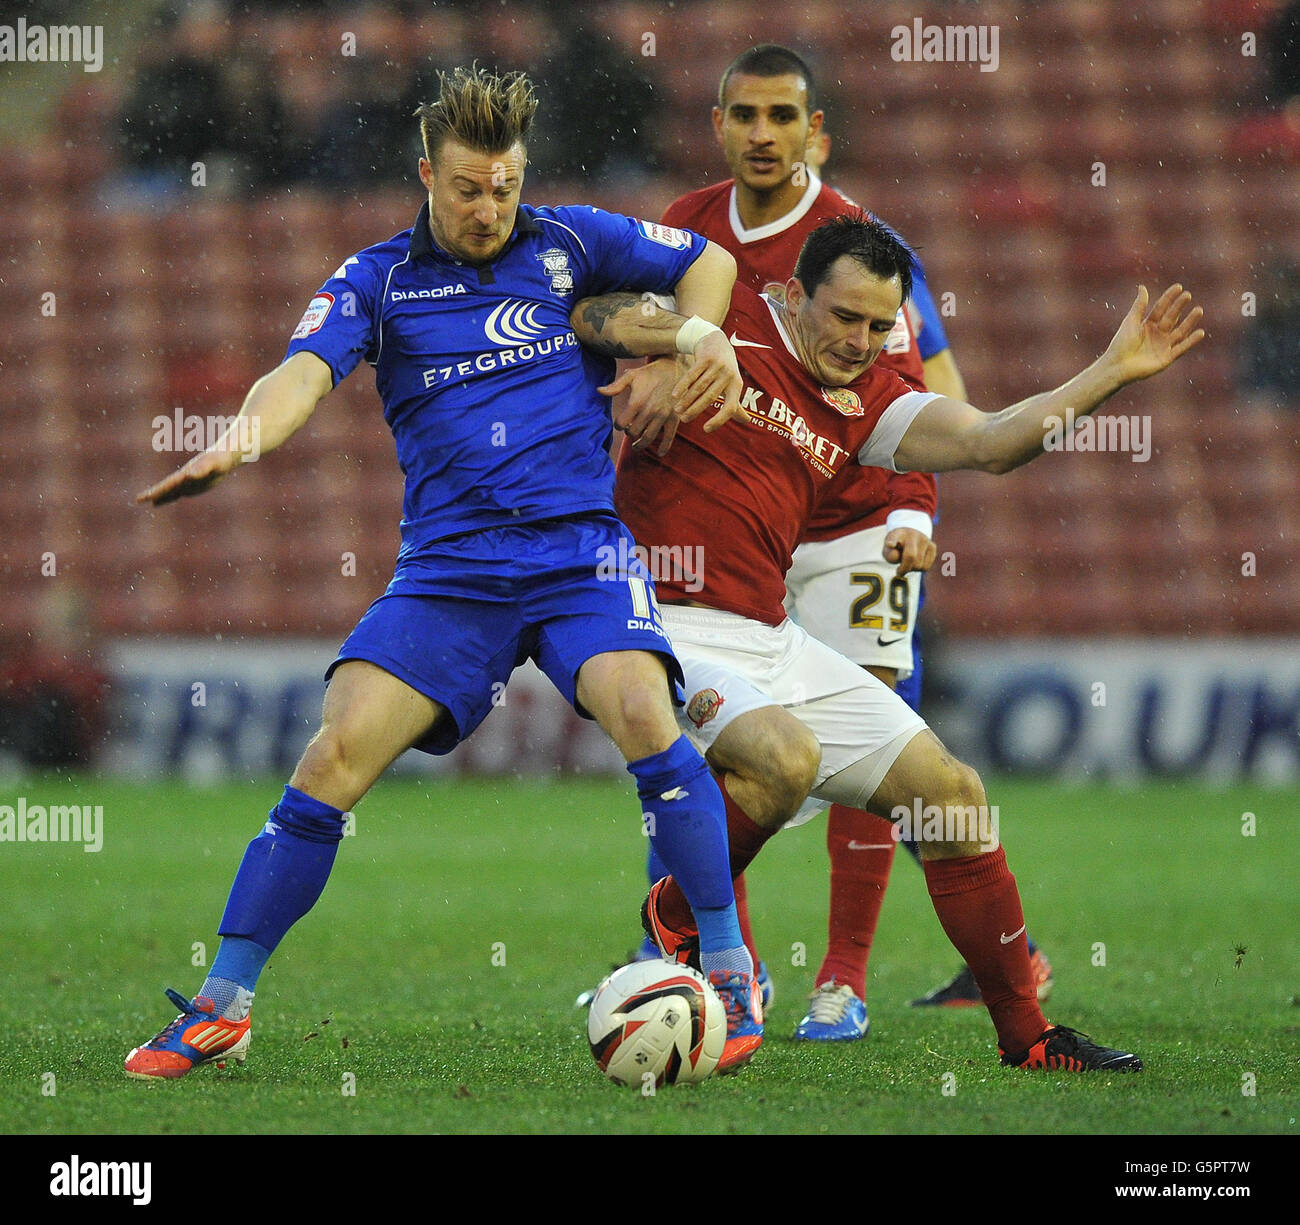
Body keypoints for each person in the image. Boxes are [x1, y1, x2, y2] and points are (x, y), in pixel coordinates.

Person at [123, 65, 766, 1080]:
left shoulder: (569, 242)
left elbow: (708, 260)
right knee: (332, 760)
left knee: (647, 713)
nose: (488, 208)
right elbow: (301, 372)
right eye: (467, 188)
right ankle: (222, 1003)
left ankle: (728, 969)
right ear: (427, 172)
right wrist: (239, 442)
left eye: (503, 187)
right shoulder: (376, 278)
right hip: (451, 569)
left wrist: (694, 349)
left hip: (575, 552)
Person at [572, 211, 1203, 1071]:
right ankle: (680, 916)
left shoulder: (866, 401)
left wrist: (1111, 371)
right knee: (784, 761)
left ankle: (1029, 1038)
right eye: (844, 317)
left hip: (770, 635)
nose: (861, 341)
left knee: (952, 795)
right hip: (659, 624)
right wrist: (677, 341)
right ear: (794, 295)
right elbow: (586, 312)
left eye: (879, 325)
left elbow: (988, 440)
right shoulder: (727, 319)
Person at [620, 43, 1049, 1039]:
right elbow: (610, 320)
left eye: (784, 118)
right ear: (719, 125)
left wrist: (912, 510)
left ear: (817, 131)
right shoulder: (682, 228)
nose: (763, 136)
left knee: (874, 732)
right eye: (745, 117)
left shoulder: (858, 245)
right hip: (735, 536)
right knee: (711, 757)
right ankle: (715, 960)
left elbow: (926, 388)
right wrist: (646, 353)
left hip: (857, 516)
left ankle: (843, 975)